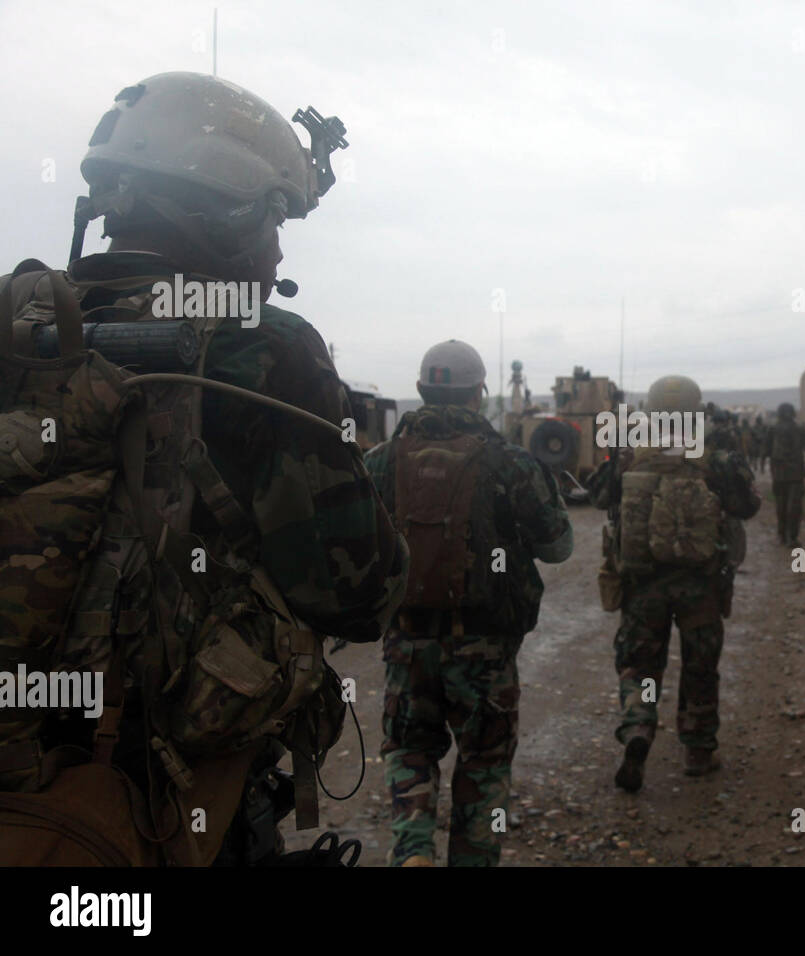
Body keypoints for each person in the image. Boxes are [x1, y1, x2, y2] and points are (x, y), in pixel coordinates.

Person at [0, 72, 407, 866]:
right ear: (226, 210)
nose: (280, 248)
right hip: (165, 787)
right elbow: (358, 593)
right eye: (274, 217)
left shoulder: (22, 331)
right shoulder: (265, 347)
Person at [364, 340, 573, 866]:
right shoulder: (511, 462)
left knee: (410, 752)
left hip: (406, 645)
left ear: (419, 391)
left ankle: (413, 853)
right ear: (479, 395)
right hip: (485, 653)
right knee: (484, 765)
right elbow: (558, 547)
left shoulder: (377, 463)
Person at [590, 375, 760, 790]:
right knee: (700, 665)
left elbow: (598, 498)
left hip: (643, 583)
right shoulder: (715, 456)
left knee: (640, 664)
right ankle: (698, 750)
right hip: (700, 582)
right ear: (696, 412)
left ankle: (638, 726)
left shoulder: (632, 455)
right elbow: (748, 505)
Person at [766, 402, 805, 547]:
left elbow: (765, 449)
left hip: (779, 472)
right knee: (794, 506)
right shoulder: (800, 428)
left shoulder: (773, 428)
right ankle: (791, 537)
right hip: (795, 472)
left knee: (781, 504)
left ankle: (782, 535)